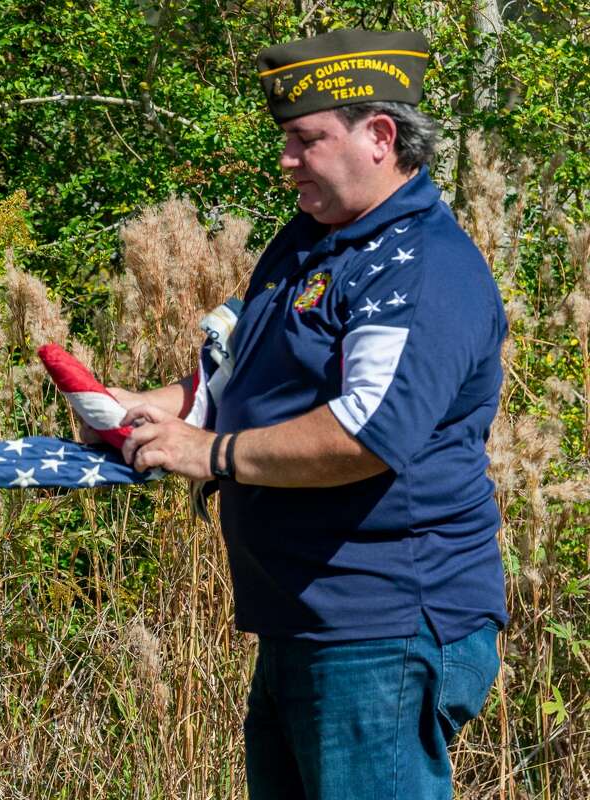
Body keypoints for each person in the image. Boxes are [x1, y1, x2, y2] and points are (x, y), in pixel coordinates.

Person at [107, 29, 507, 799]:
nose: (285, 159)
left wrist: (208, 453)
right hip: (306, 619)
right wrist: (146, 409)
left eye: (304, 139)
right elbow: (241, 368)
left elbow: (364, 435)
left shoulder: (421, 265)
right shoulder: (313, 243)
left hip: (382, 624)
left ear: (380, 137)